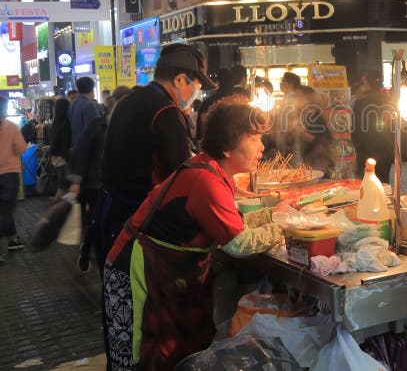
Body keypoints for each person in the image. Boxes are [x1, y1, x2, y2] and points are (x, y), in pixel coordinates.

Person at [102, 102, 283, 370]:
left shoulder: (212, 169)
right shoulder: (206, 181)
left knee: (174, 352)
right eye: (254, 138)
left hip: (164, 272)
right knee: (138, 355)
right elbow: (239, 244)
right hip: (135, 271)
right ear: (227, 146)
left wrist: (273, 214)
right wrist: (285, 226)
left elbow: (229, 222)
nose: (262, 147)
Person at [99, 43, 217, 266]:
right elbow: (183, 176)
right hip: (143, 224)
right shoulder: (166, 111)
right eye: (198, 85)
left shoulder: (128, 102)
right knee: (144, 295)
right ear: (181, 79)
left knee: (120, 293)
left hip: (112, 215)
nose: (196, 93)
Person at [67, 86, 132, 272]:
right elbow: (81, 153)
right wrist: (76, 180)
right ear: (118, 103)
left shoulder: (128, 126)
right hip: (94, 182)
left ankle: (94, 251)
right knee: (97, 222)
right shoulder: (98, 124)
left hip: (116, 183)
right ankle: (92, 253)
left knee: (103, 222)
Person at [351, 70, 395, 182]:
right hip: (386, 150)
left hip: (366, 151)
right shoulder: (389, 100)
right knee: (383, 183)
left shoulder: (360, 102)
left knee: (367, 183)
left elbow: (356, 131)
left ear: (366, 82)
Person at [0, 96, 27, 263]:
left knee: (4, 210)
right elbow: (21, 148)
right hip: (9, 175)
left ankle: (13, 239)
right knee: (5, 210)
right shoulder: (11, 127)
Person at [68, 76, 102, 149]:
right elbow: (94, 131)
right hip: (86, 150)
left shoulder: (73, 104)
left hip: (75, 147)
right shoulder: (89, 105)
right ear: (92, 88)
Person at [50, 98, 72, 197]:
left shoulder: (54, 123)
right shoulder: (65, 124)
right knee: (64, 186)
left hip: (56, 157)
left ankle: (57, 207)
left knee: (61, 184)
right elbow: (65, 143)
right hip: (63, 158)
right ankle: (56, 209)